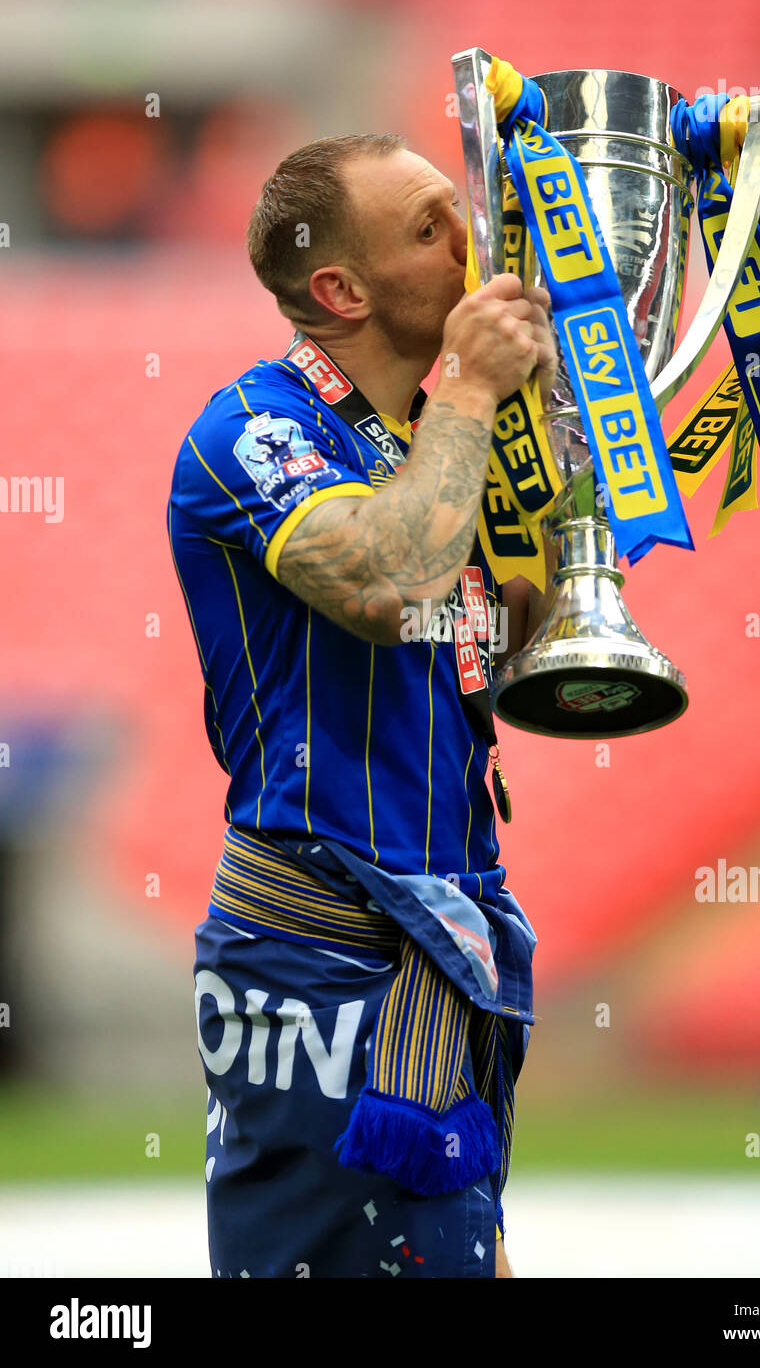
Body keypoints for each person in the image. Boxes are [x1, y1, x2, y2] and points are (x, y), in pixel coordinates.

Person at [167, 132, 557, 1279]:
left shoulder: (432, 441)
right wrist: (478, 387)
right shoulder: (254, 428)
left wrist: (579, 519)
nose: (468, 242)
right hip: (316, 947)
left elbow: (490, 643)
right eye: (429, 226)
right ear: (337, 289)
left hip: (448, 939)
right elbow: (390, 586)